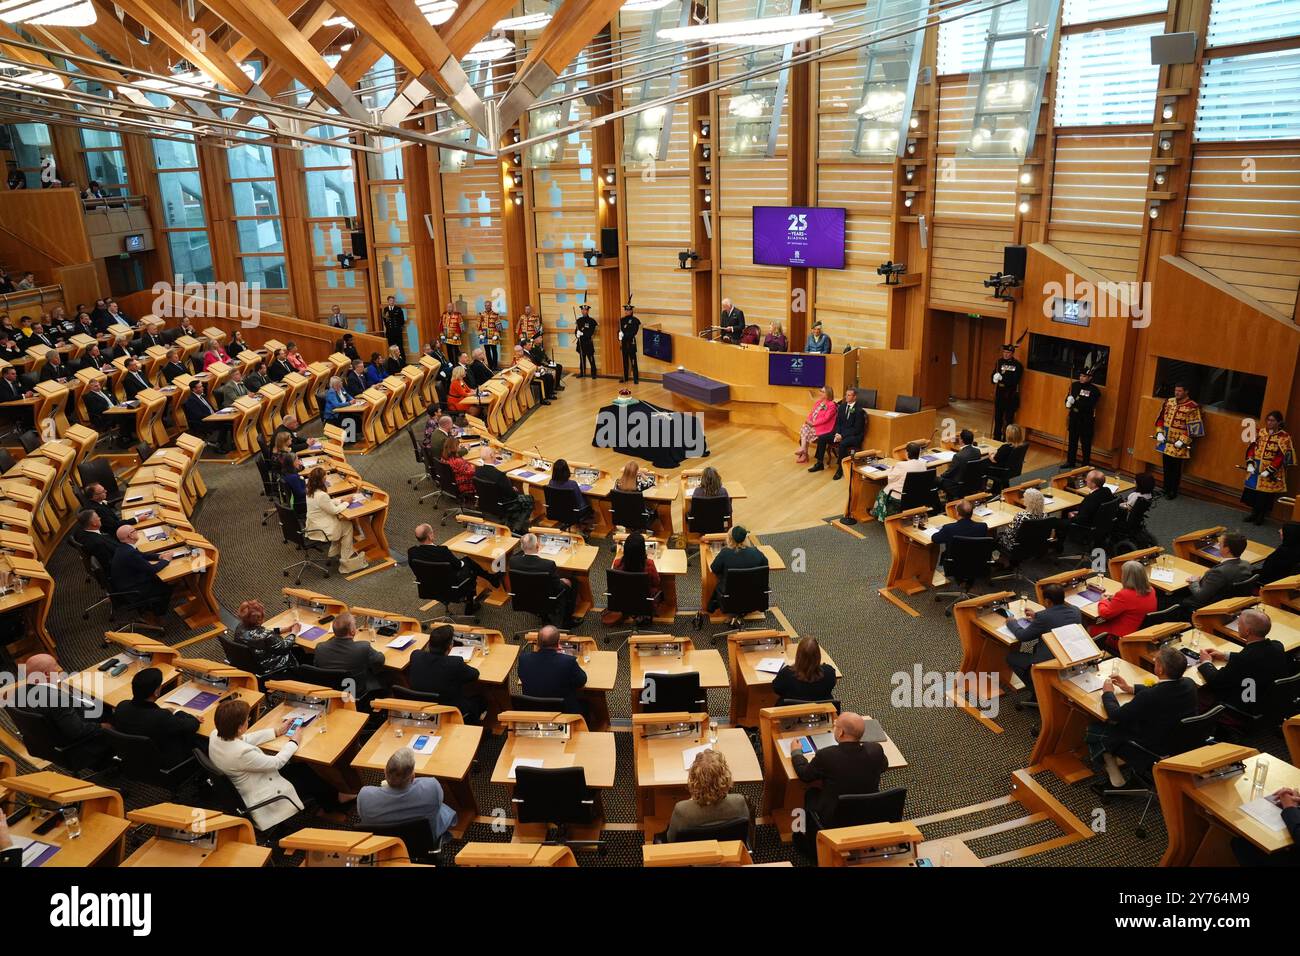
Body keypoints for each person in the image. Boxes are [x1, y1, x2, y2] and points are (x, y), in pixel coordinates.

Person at [208, 698, 351, 829]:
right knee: (307, 776)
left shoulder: (216, 735)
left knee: (302, 769)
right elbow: (277, 762)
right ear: (239, 727)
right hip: (264, 796)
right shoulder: (242, 754)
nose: (248, 720)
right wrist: (294, 741)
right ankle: (330, 809)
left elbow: (243, 739)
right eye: (247, 720)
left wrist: (276, 731)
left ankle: (333, 799)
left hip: (252, 782)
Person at [1086, 646, 1198, 789]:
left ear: (1160, 670)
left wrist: (1107, 693)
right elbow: (1164, 690)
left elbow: (1116, 715)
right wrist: (1130, 688)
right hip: (1182, 741)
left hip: (1151, 747)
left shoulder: (1150, 697)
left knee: (1097, 728)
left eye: (1156, 661)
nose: (1153, 662)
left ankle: (1116, 779)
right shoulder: (1189, 684)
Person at [791, 712, 886, 839]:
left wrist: (796, 752)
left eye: (835, 726)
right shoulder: (875, 750)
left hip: (833, 818)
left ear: (840, 732)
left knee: (811, 792)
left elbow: (805, 775)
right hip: (868, 812)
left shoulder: (826, 755)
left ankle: (804, 834)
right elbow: (883, 766)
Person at [1197, 607, 1290, 716]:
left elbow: (1216, 682)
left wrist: (1206, 662)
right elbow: (1256, 658)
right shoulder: (1277, 646)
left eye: (1239, 624)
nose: (1237, 625)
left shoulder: (1244, 660)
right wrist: (1226, 656)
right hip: (1271, 702)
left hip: (1244, 706)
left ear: (1247, 631)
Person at [20, 654, 109, 764]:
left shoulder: (18, 694)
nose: (60, 668)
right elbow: (77, 731)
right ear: (46, 674)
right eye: (56, 665)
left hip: (46, 743)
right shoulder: (56, 699)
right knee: (115, 712)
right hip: (76, 746)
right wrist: (104, 726)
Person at [358, 747, 458, 838]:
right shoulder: (432, 788)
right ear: (413, 776)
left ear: (385, 772)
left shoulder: (364, 796)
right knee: (442, 809)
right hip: (422, 843)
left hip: (384, 844)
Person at [110, 667, 200, 767]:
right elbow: (193, 724)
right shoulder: (161, 717)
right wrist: (176, 711)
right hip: (164, 764)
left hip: (133, 758)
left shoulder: (122, 706)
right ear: (156, 692)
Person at [1005, 583, 1081, 698]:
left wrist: (1012, 623)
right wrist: (1036, 616)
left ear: (1047, 601)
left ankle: (1038, 692)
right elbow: (1056, 618)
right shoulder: (1076, 610)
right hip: (1071, 657)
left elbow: (1022, 636)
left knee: (1012, 657)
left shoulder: (1044, 617)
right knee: (1031, 646)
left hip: (1049, 661)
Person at [407, 523, 498, 611]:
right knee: (469, 563)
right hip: (452, 587)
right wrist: (463, 562)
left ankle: (492, 579)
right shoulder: (442, 551)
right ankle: (471, 605)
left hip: (428, 587)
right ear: (430, 536)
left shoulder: (412, 552)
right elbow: (459, 565)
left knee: (466, 562)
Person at [665, 749, 751, 842]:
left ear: (693, 779)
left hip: (694, 854)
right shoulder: (739, 802)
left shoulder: (682, 810)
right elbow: (745, 833)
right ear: (725, 777)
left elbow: (670, 840)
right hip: (729, 852)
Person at [407, 624, 485, 723]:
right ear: (450, 646)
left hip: (423, 708)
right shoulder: (455, 663)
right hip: (451, 711)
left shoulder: (415, 656)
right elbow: (475, 675)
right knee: (480, 700)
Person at [303, 467, 368, 573]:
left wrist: (341, 500)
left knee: (341, 523)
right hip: (323, 529)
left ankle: (333, 553)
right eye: (325, 477)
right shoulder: (322, 495)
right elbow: (334, 511)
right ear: (321, 480)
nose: (326, 478)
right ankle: (346, 559)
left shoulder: (310, 491)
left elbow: (326, 504)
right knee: (347, 525)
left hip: (313, 526)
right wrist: (347, 503)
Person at [509, 533, 579, 627]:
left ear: (522, 547)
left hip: (525, 598)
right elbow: (558, 587)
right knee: (573, 581)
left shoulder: (513, 561)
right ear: (538, 546)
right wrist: (564, 581)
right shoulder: (548, 564)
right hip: (547, 599)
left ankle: (545, 615)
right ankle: (566, 620)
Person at [313, 611, 386, 699]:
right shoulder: (363, 647)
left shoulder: (320, 648)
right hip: (355, 693)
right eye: (355, 625)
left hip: (330, 692)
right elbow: (380, 660)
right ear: (352, 631)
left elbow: (316, 666)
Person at [517, 624, 587, 711]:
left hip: (533, 710)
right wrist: (562, 656)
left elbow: (522, 677)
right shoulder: (568, 661)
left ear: (537, 642)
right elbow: (581, 681)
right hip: (563, 713)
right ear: (558, 643)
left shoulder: (524, 659)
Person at [1242, 410, 1294, 524]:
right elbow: (1251, 448)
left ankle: (1261, 516)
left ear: (1279, 422)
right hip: (1256, 467)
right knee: (1254, 492)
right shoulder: (1260, 432)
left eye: (1272, 420)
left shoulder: (1284, 437)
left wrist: (1270, 470)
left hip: (1272, 469)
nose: (1269, 423)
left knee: (1265, 495)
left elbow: (1281, 456)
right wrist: (1250, 463)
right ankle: (1253, 513)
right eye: (1268, 420)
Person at [1154, 383, 1204, 499]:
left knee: (1175, 469)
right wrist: (1159, 432)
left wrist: (1183, 440)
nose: (1176, 393)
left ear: (1186, 392)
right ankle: (1165, 488)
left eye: (1180, 391)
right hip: (1166, 441)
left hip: (1178, 443)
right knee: (1166, 466)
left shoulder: (1192, 406)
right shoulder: (1169, 402)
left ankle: (1173, 491)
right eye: (1176, 390)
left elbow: (1194, 427)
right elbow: (1160, 419)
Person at [110, 525, 173, 618]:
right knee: (166, 588)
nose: (137, 531)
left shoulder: (124, 547)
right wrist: (166, 560)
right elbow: (152, 569)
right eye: (134, 530)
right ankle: (157, 616)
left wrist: (159, 556)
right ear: (130, 536)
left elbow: (141, 555)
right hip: (134, 589)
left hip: (125, 582)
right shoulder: (129, 553)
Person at [1181, 533, 1252, 614]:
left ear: (1227, 549)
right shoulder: (1246, 565)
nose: (1218, 544)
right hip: (1229, 603)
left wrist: (1194, 582)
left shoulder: (1218, 573)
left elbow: (1201, 597)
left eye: (1220, 543)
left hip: (1205, 606)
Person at [1089, 560, 1158, 644]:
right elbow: (1132, 603)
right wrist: (1115, 599)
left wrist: (1103, 601)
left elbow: (1105, 614)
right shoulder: (1151, 590)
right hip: (1140, 634)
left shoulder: (1124, 595)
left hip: (1119, 638)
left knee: (1088, 627)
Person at [229, 599, 298, 679]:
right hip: (272, 669)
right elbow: (284, 647)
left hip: (252, 666)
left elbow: (262, 634)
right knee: (299, 652)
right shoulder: (267, 636)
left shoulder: (240, 627)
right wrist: (293, 632)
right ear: (259, 619)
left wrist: (283, 630)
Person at [475, 445, 534, 534]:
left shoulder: (478, 471)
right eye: (494, 453)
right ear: (492, 455)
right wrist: (514, 490)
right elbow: (512, 495)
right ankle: (516, 528)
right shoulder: (499, 475)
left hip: (486, 503)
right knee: (529, 500)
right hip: (503, 505)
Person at [708, 525, 768, 612]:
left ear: (729, 539)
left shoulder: (725, 553)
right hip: (753, 596)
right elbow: (765, 566)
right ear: (745, 539)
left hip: (730, 598)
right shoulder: (756, 552)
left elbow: (714, 568)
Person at [808, 386, 864, 480]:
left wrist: (842, 435)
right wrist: (837, 433)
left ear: (855, 397)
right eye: (846, 395)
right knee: (822, 437)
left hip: (853, 436)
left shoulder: (859, 410)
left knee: (843, 444)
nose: (846, 397)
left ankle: (840, 469)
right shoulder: (842, 407)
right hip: (840, 433)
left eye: (849, 395)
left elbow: (857, 429)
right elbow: (838, 423)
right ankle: (819, 463)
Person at [872, 441, 928, 521]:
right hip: (915, 495)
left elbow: (891, 478)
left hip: (899, 495)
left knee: (882, 492)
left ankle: (879, 515)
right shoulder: (923, 464)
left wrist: (892, 469)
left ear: (907, 453)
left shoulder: (901, 465)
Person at [611, 531, 663, 616]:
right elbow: (657, 582)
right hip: (645, 601)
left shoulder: (617, 563)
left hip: (623, 600)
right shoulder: (649, 565)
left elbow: (615, 583)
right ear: (642, 549)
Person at [772, 636, 837, 703]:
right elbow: (832, 684)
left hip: (792, 711)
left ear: (798, 655)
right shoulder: (829, 672)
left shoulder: (786, 673)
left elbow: (776, 688)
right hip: (822, 712)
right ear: (818, 655)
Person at [1065, 367, 1101, 468]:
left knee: (1085, 443)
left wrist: (1075, 402)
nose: (1081, 378)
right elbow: (1068, 397)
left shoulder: (1094, 391)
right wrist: (1068, 402)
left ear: (1090, 377)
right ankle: (1070, 461)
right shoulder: (1074, 385)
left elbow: (1089, 405)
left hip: (1085, 419)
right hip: (1074, 417)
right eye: (1080, 375)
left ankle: (1085, 464)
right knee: (1072, 441)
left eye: (1084, 376)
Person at [997, 485, 1047, 556]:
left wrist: (1003, 530)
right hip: (1034, 543)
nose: (1023, 499)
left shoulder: (1021, 516)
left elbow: (1010, 534)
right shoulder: (1045, 515)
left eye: (1025, 498)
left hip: (1016, 546)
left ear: (1029, 502)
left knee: (999, 536)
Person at [547, 458, 593, 530]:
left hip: (556, 511)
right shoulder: (572, 484)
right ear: (566, 470)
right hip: (574, 512)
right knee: (590, 501)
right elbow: (579, 501)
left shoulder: (551, 482)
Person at [796, 385, 837, 464]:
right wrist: (808, 420)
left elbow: (826, 419)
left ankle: (803, 452)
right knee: (805, 427)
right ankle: (803, 451)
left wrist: (813, 424)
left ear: (827, 394)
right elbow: (811, 414)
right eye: (820, 391)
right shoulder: (818, 402)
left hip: (824, 427)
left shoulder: (831, 405)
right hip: (813, 425)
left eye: (822, 391)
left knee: (805, 430)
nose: (820, 393)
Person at [991, 343, 1023, 441]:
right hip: (1000, 393)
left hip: (1010, 395)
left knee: (1008, 420)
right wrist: (993, 378)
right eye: (1004, 352)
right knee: (998, 418)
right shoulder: (999, 362)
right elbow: (993, 374)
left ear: (1012, 353)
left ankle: (1006, 439)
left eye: (1008, 352)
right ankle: (996, 438)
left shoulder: (1017, 365)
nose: (1005, 354)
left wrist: (1003, 379)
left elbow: (1015, 380)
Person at [939, 428, 982, 499]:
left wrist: (941, 476)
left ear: (961, 440)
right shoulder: (977, 451)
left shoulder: (958, 456)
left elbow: (950, 472)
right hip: (973, 482)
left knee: (937, 480)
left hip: (959, 484)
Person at [619, 303, 640, 384]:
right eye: (626, 310)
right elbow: (619, 330)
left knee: (633, 361)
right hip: (624, 343)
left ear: (631, 311)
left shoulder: (635, 321)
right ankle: (625, 377)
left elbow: (634, 332)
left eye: (629, 310)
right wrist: (619, 335)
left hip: (631, 343)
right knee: (625, 361)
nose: (627, 311)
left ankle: (636, 378)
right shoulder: (621, 320)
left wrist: (624, 335)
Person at [575, 302, 597, 378]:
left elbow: (590, 333)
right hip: (581, 343)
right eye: (582, 310)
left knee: (591, 358)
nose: (583, 311)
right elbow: (576, 331)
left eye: (585, 310)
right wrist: (577, 334)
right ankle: (582, 373)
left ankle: (593, 374)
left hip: (588, 343)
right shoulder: (579, 320)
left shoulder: (591, 321)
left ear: (588, 311)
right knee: (582, 359)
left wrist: (582, 334)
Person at [478, 304, 504, 370]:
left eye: (488, 305)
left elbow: (498, 327)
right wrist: (480, 334)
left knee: (494, 351)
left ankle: (495, 366)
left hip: (493, 336)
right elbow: (479, 325)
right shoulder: (481, 314)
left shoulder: (495, 315)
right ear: (484, 306)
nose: (487, 307)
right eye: (486, 305)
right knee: (487, 351)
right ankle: (490, 366)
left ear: (491, 306)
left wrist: (496, 335)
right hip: (485, 336)